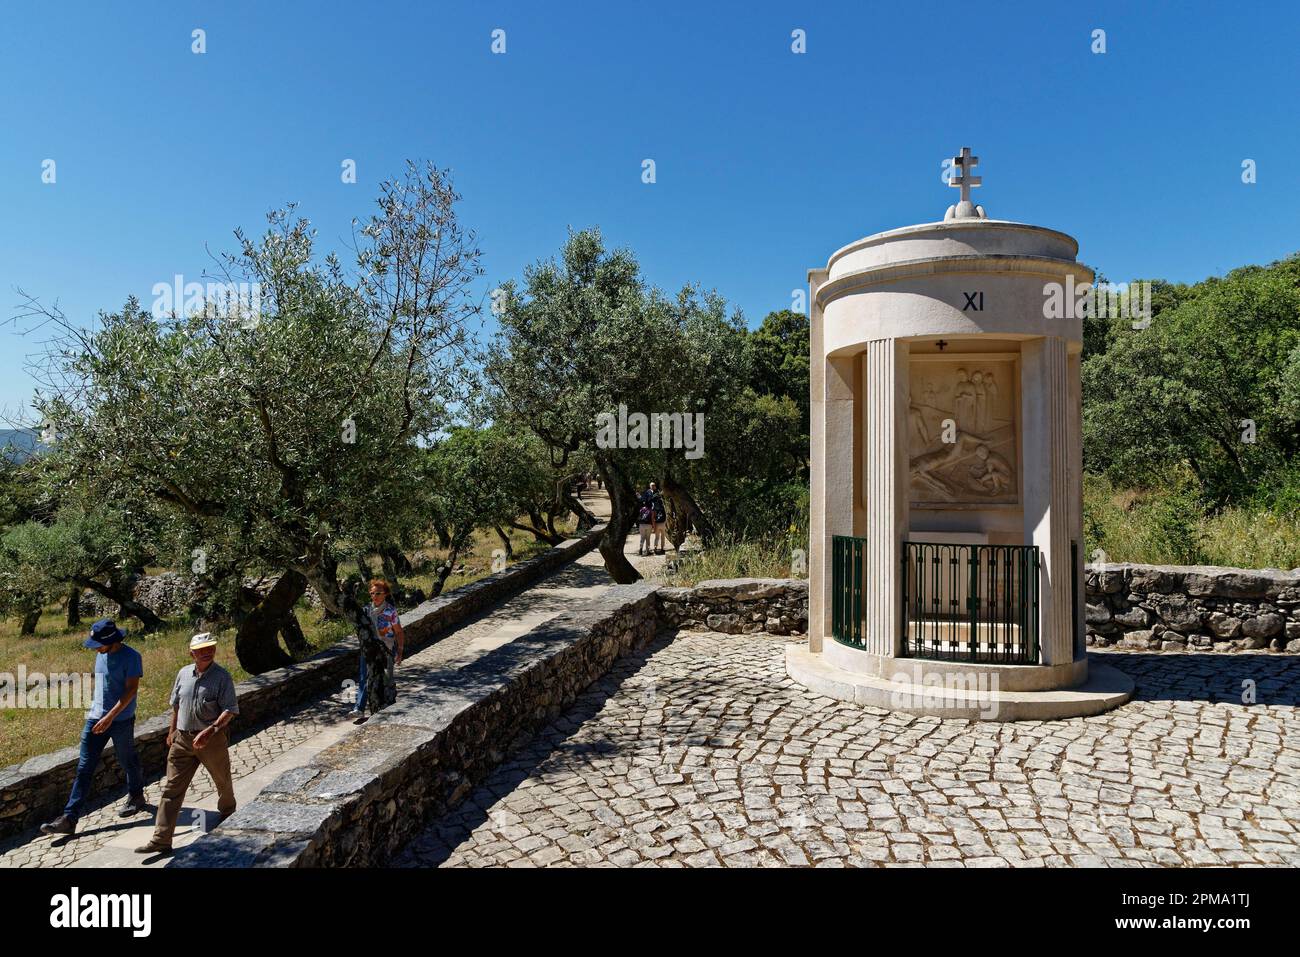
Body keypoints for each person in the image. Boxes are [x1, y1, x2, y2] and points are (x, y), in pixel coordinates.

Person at [39, 619, 146, 836]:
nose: (95, 648)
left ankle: (136, 796)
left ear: (111, 641)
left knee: (127, 760)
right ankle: (69, 819)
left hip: (121, 720)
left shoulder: (132, 657)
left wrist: (110, 717)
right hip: (95, 717)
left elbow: (130, 691)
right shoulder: (101, 654)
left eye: (98, 644)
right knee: (84, 768)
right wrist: (98, 712)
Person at [135, 633, 238, 855]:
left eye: (210, 647)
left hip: (211, 740)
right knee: (171, 788)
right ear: (191, 652)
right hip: (182, 740)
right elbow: (177, 705)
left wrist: (211, 731)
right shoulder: (183, 674)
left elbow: (230, 709)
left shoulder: (222, 677)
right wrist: (172, 731)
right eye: (201, 649)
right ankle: (161, 839)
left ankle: (229, 813)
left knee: (223, 782)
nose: (207, 652)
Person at [349, 578, 405, 723]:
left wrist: (400, 651)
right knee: (364, 678)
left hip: (386, 649)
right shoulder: (366, 610)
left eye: (378, 593)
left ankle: (388, 706)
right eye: (372, 593)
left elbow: (398, 632)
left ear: (385, 594)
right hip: (368, 650)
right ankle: (359, 708)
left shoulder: (390, 611)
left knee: (387, 678)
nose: (375, 596)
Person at [648, 481, 667, 555]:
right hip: (663, 523)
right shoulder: (663, 507)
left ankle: (655, 548)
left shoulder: (655, 508)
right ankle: (662, 548)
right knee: (662, 537)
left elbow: (653, 517)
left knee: (657, 537)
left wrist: (653, 525)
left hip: (657, 523)